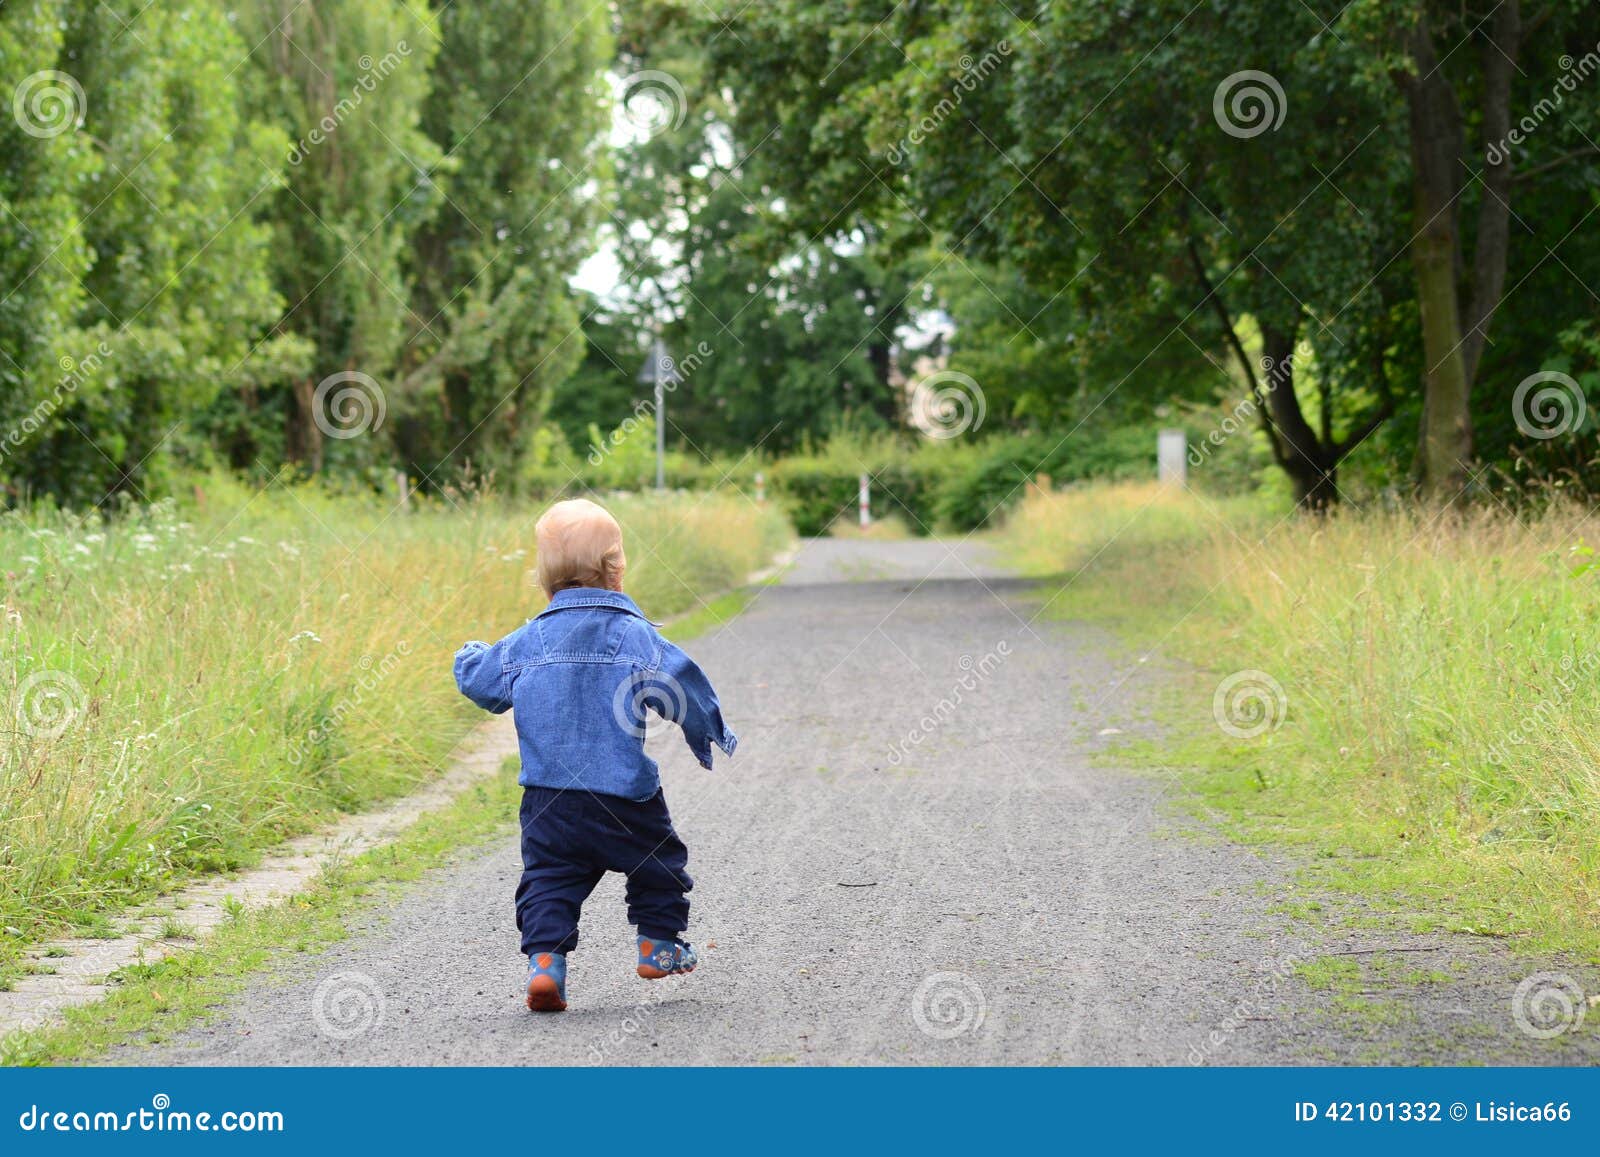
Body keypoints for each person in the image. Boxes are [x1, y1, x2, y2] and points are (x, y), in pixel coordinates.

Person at [453, 498, 737, 1012]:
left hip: (548, 801)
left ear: (544, 578)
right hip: (624, 798)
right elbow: (683, 686)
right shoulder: (634, 636)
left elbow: (482, 684)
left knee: (547, 879)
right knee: (659, 862)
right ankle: (658, 943)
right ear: (616, 570)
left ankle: (545, 964)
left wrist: (470, 652)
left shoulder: (526, 641)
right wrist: (710, 731)